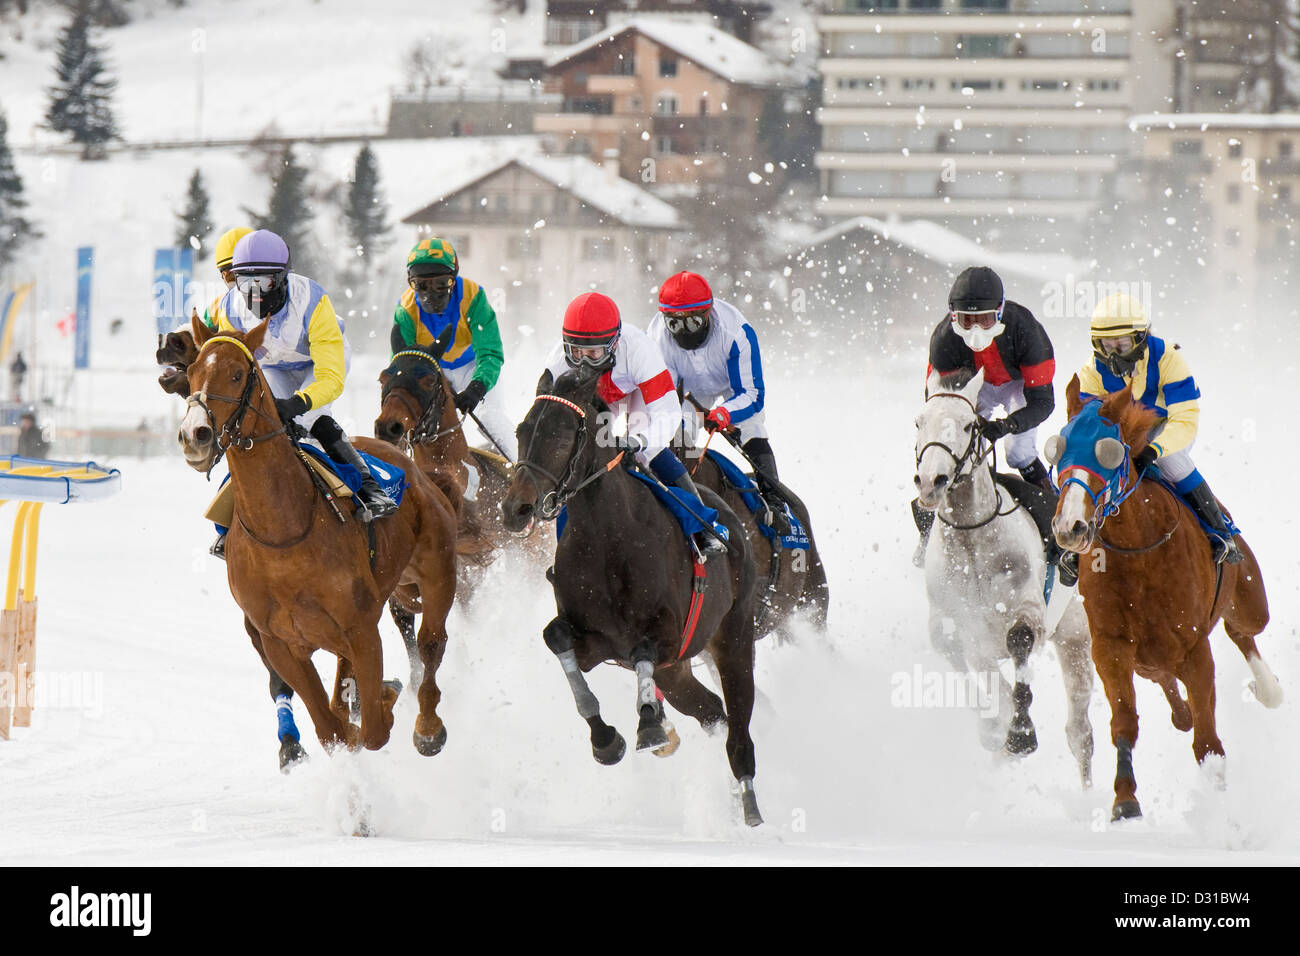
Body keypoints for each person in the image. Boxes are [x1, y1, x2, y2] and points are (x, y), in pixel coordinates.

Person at [207, 229, 396, 558]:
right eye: (243, 282)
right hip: (274, 367)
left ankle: (369, 488)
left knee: (313, 420)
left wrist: (297, 404)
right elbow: (218, 350)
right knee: (254, 430)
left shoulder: (312, 301)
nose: (252, 294)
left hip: (317, 362)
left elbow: (330, 378)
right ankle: (228, 525)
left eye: (263, 283)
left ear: (282, 278)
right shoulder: (230, 308)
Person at [542, 291, 726, 557]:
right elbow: (549, 420)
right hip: (594, 397)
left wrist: (641, 441)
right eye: (576, 352)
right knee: (581, 454)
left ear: (614, 344)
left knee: (642, 454)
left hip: (634, 391)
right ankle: (564, 549)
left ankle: (704, 526)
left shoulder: (641, 349)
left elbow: (667, 414)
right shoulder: (557, 362)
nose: (583, 362)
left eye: (593, 354)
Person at [1070, 292, 1242, 567]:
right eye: (1106, 345)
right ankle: (1070, 544)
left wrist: (1154, 449)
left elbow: (1184, 419)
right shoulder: (1092, 370)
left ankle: (1220, 531)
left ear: (1140, 338)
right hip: (1122, 435)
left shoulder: (1167, 358)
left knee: (1170, 460)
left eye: (1122, 345)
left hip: (1166, 429)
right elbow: (1086, 426)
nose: (1113, 354)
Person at [914, 266, 1061, 573]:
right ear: (953, 316)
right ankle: (929, 527)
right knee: (953, 449)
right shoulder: (944, 339)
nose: (976, 330)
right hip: (972, 387)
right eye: (968, 321)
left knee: (1017, 453)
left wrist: (1008, 425)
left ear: (1001, 311)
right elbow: (938, 409)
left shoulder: (1026, 330)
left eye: (984, 320)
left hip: (1017, 385)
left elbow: (1043, 403)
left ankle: (1054, 519)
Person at [647, 271, 788, 533]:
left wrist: (724, 413)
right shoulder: (657, 338)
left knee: (752, 429)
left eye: (692, 323)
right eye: (674, 324)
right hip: (686, 389)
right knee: (673, 437)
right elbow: (664, 397)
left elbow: (752, 394)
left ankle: (775, 503)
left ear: (708, 312)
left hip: (732, 388)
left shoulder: (737, 333)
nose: (683, 333)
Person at [391, 237, 516, 461]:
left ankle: (518, 469)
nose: (431, 292)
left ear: (454, 277)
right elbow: (403, 366)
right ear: (411, 282)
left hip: (472, 366)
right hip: (433, 371)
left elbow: (490, 353)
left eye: (441, 283)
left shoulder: (474, 297)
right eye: (421, 285)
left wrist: (476, 387)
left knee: (491, 420)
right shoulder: (405, 310)